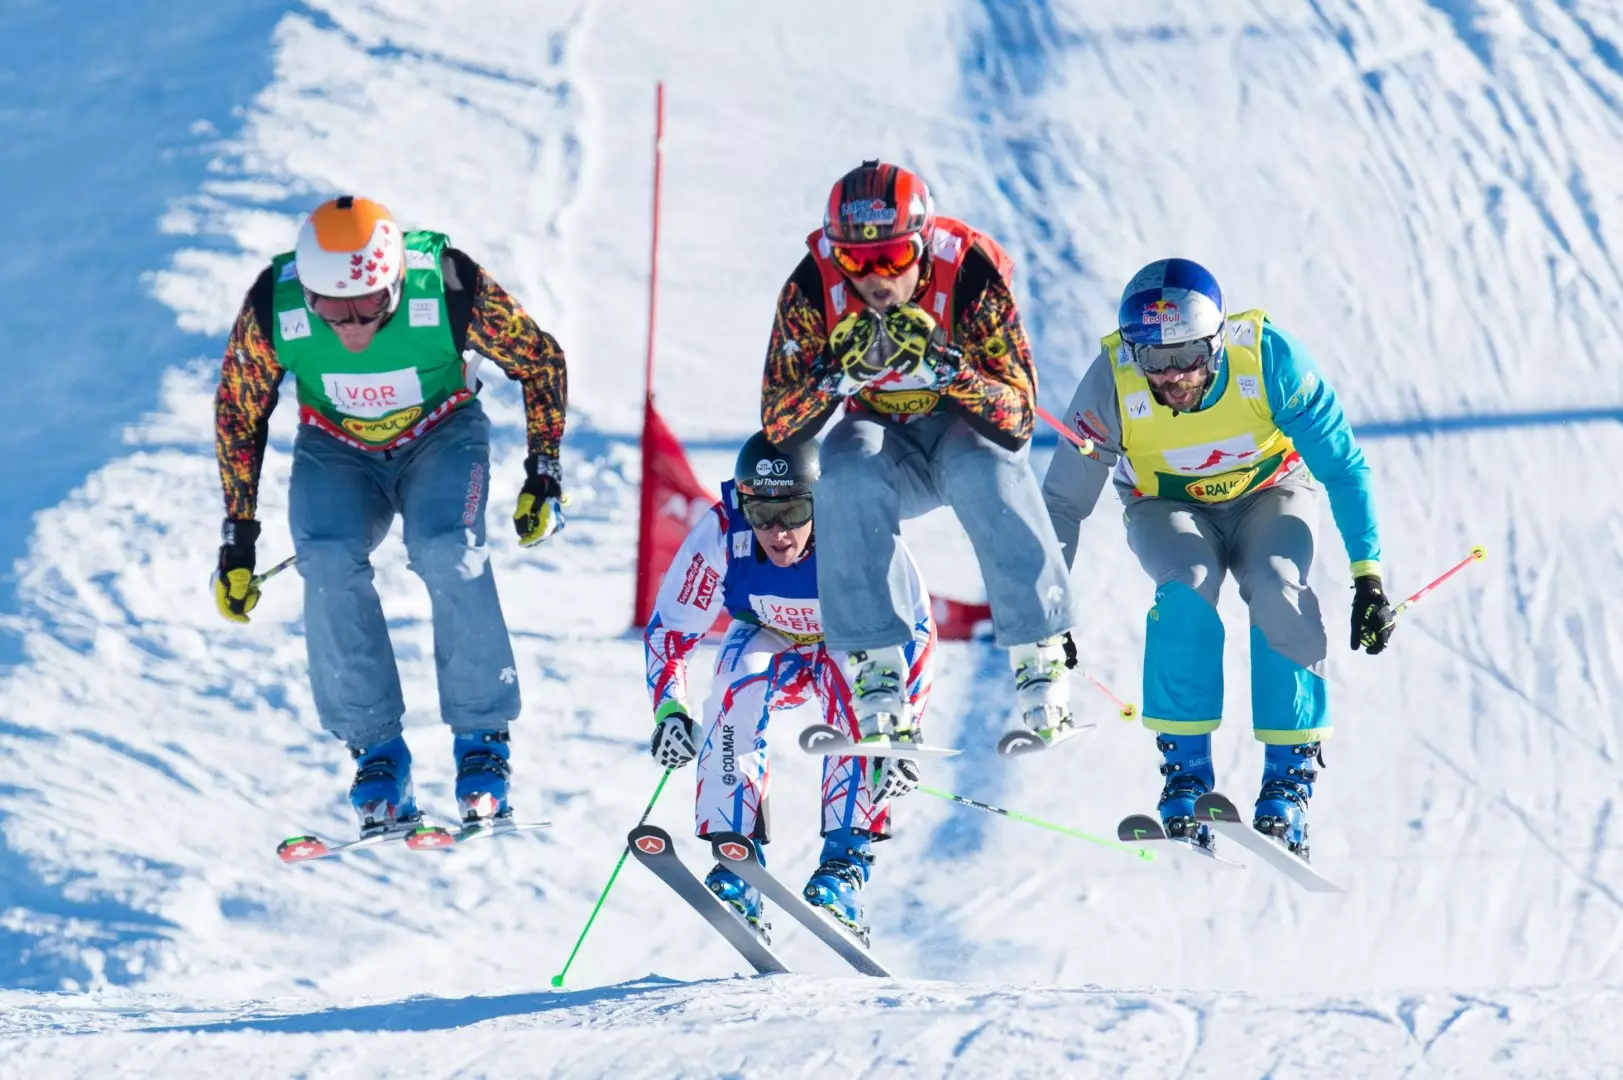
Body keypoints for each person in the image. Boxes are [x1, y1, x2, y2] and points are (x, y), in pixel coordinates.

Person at [212, 195, 568, 835]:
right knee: (324, 559)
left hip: (441, 435)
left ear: (397, 282)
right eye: (331, 309)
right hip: (336, 447)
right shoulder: (277, 304)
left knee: (446, 548)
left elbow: (539, 360)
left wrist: (544, 472)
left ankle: (481, 740)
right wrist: (237, 539)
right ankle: (377, 753)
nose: (349, 325)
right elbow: (240, 411)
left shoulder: (451, 284)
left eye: (370, 306)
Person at [1041, 257, 1395, 858]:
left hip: (1271, 491)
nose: (1173, 376)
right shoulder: (1113, 381)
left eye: (1187, 356)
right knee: (1187, 588)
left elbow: (1343, 465)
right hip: (1167, 504)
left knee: (1278, 584)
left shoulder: (1269, 360)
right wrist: (1044, 613)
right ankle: (1184, 777)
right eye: (1154, 359)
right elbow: (1062, 502)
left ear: (1217, 340)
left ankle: (1288, 782)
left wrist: (1369, 576)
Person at [760, 160, 1076, 747]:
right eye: (856, 261)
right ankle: (875, 663)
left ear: (923, 245)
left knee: (984, 465)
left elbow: (1018, 419)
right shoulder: (812, 287)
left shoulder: (970, 274)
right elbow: (778, 425)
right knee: (842, 472)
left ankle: (1041, 649)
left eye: (892, 258)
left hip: (963, 430)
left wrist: (949, 371)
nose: (875, 278)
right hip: (885, 440)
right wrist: (833, 376)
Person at [644, 432, 935, 938]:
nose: (777, 532)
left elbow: (915, 632)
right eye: (762, 515)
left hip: (849, 638)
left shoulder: (859, 528)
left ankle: (845, 866)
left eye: (794, 513)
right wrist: (670, 709)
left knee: (860, 693)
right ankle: (737, 853)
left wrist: (901, 732)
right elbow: (670, 628)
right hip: (769, 634)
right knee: (737, 681)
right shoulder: (723, 530)